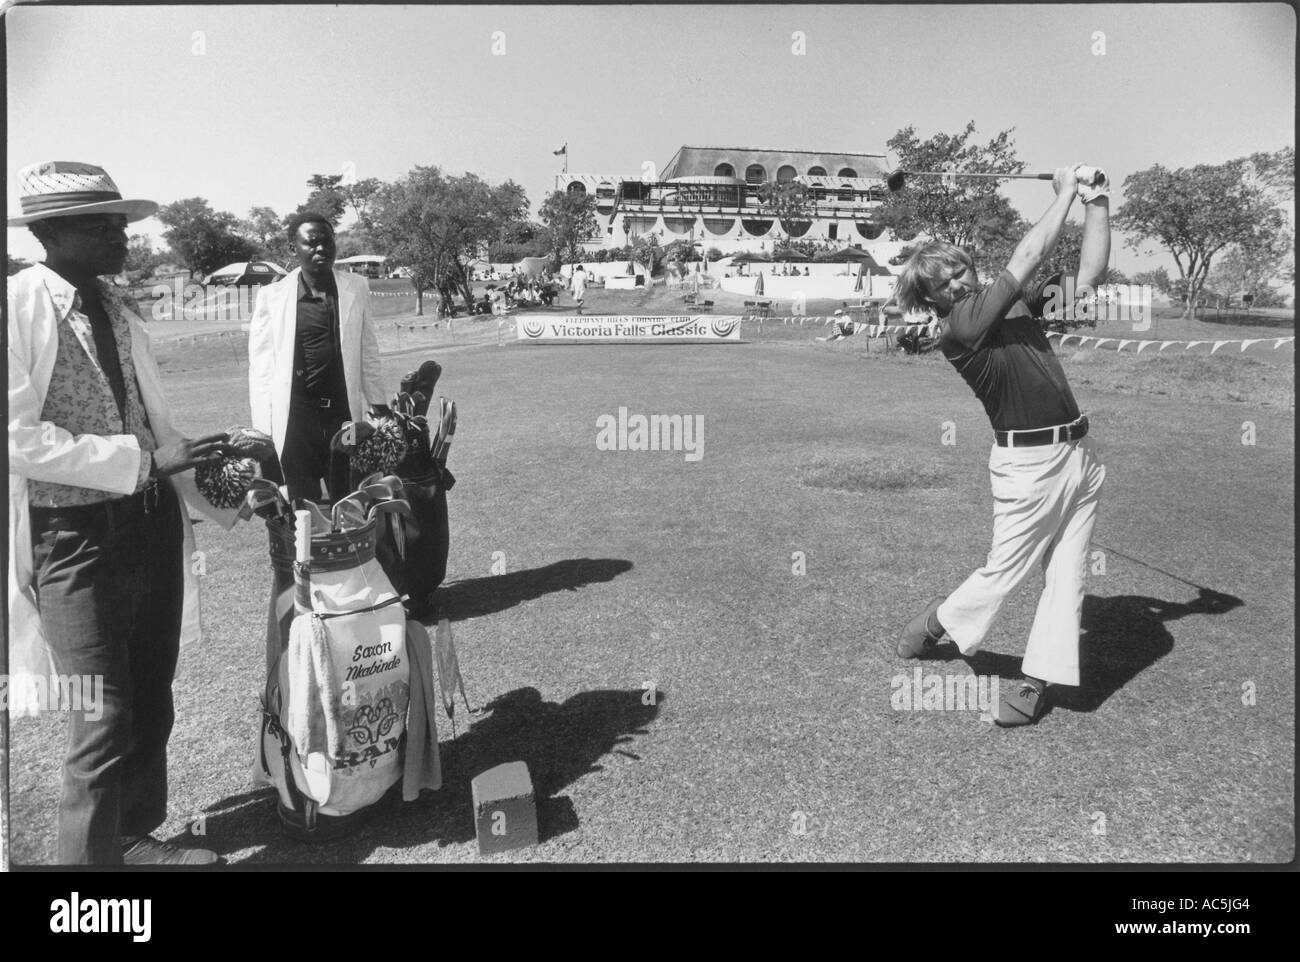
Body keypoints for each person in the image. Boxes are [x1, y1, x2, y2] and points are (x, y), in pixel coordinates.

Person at [7, 160, 238, 864]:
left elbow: (150, 422)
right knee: (100, 715)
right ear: (51, 232)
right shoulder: (16, 307)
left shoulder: (115, 308)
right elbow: (16, 438)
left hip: (148, 526)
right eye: (100, 222)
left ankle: (134, 837)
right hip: (73, 540)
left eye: (120, 220)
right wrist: (139, 465)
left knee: (149, 696)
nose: (122, 233)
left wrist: (219, 477)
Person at [892, 164, 1111, 727]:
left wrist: (1097, 201)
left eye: (962, 271)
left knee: (1069, 575)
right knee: (1004, 570)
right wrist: (1063, 192)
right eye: (946, 283)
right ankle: (936, 623)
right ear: (933, 299)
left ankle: (1037, 681)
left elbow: (1088, 278)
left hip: (1077, 457)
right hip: (1027, 463)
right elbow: (1028, 255)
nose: (960, 283)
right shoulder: (961, 327)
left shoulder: (1007, 306)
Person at [248, 212, 386, 505]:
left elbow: (368, 350)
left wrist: (379, 403)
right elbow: (261, 369)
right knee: (302, 502)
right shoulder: (272, 297)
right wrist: (263, 430)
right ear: (292, 248)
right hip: (297, 421)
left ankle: (349, 547)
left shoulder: (356, 287)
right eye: (311, 243)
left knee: (348, 494)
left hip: (343, 419)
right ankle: (302, 549)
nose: (321, 249)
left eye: (327, 242)